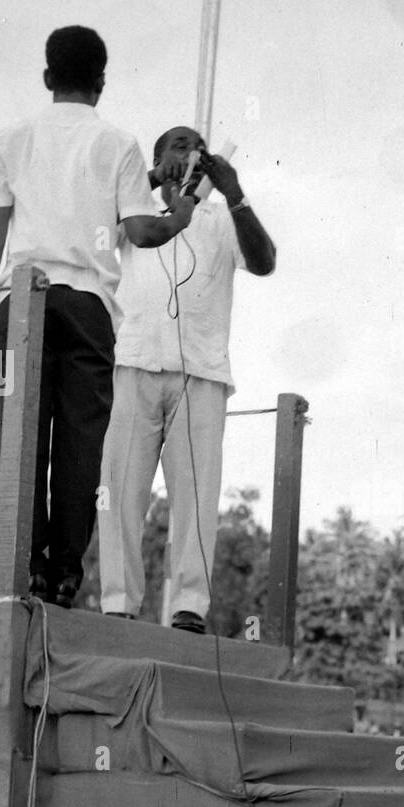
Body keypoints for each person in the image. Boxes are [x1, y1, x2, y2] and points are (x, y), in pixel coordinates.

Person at [0, 26, 197, 607]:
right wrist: (182, 212)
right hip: (86, 307)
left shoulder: (10, 139)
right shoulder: (118, 143)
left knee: (21, 442)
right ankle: (65, 574)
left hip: (18, 304)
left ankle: (28, 567)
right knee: (80, 449)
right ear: (101, 83)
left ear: (48, 78)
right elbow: (141, 229)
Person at [98, 125, 275, 632]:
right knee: (121, 491)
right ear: (157, 159)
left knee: (196, 496)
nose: (188, 152)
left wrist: (235, 193)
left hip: (201, 372)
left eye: (195, 146)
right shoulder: (137, 215)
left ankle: (188, 607)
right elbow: (94, 230)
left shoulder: (221, 217)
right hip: (133, 365)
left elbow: (264, 263)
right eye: (176, 145)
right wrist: (150, 181)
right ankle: (118, 603)